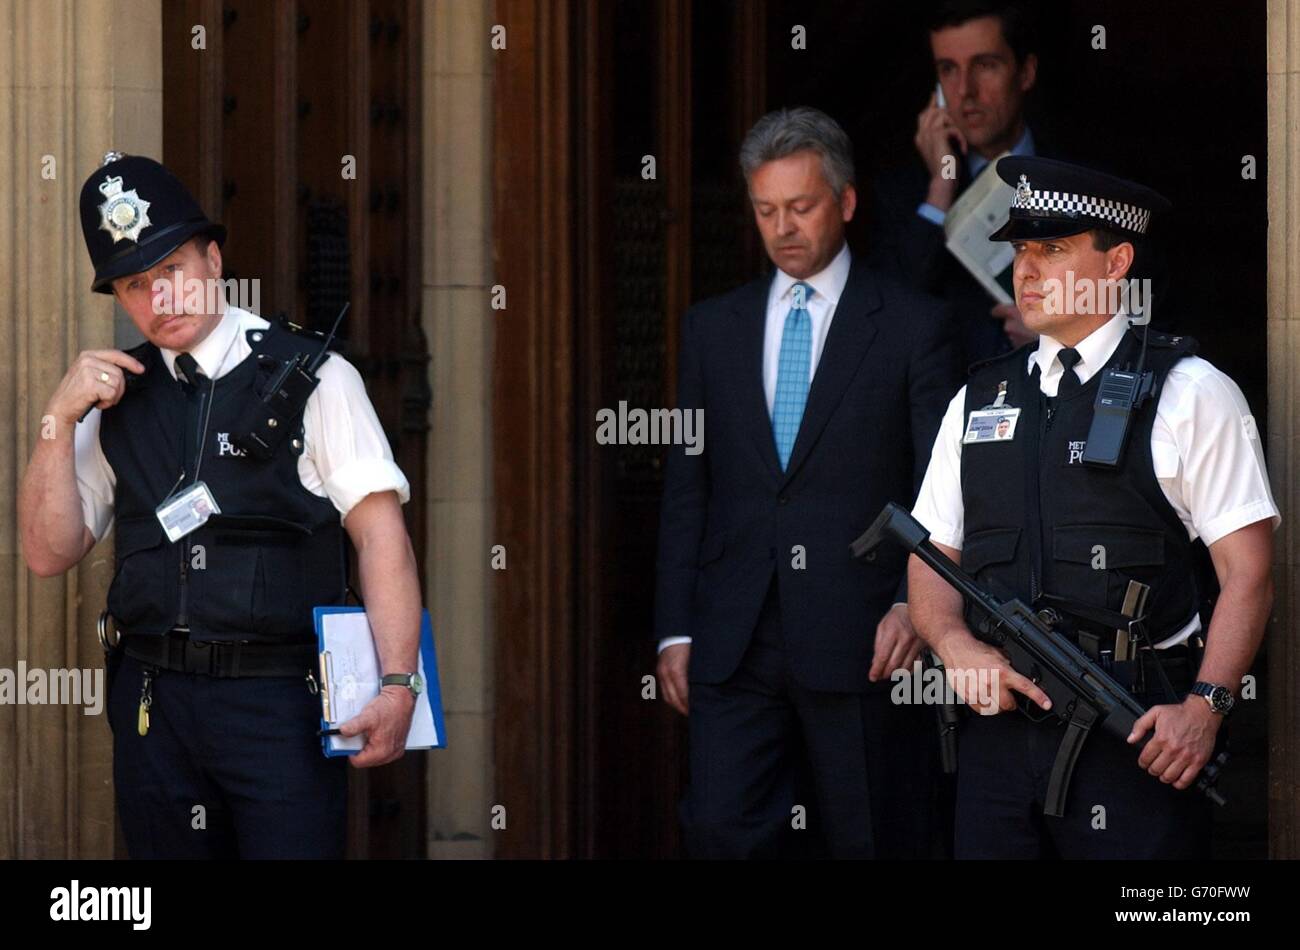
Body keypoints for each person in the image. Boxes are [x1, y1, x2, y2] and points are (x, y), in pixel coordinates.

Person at [17, 152, 424, 859]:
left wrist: (397, 685)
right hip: (154, 708)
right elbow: (48, 553)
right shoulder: (114, 398)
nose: (160, 298)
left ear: (213, 260)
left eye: (172, 269)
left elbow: (380, 537)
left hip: (278, 705)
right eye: (135, 284)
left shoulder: (316, 377)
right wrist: (58, 418)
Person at [908, 156, 1278, 858]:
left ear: (1117, 263)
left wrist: (1206, 707)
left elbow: (1250, 572)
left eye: (1052, 249)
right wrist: (956, 646)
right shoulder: (978, 399)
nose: (1026, 270)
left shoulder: (1191, 392)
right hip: (999, 739)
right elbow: (931, 556)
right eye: (1021, 249)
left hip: (1136, 733)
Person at [654, 107, 960, 859]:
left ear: (846, 202)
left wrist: (914, 605)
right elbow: (688, 489)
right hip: (733, 640)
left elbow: (940, 487)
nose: (782, 227)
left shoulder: (912, 325)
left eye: (801, 206)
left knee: (870, 838)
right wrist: (676, 628)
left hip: (866, 639)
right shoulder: (711, 328)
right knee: (722, 834)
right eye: (765, 210)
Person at [869, 0, 1046, 365]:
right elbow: (887, 319)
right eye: (948, 69)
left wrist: (1063, 338)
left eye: (985, 65)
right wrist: (942, 184)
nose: (965, 90)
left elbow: (1140, 316)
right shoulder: (904, 194)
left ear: (1026, 73)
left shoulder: (1088, 181)